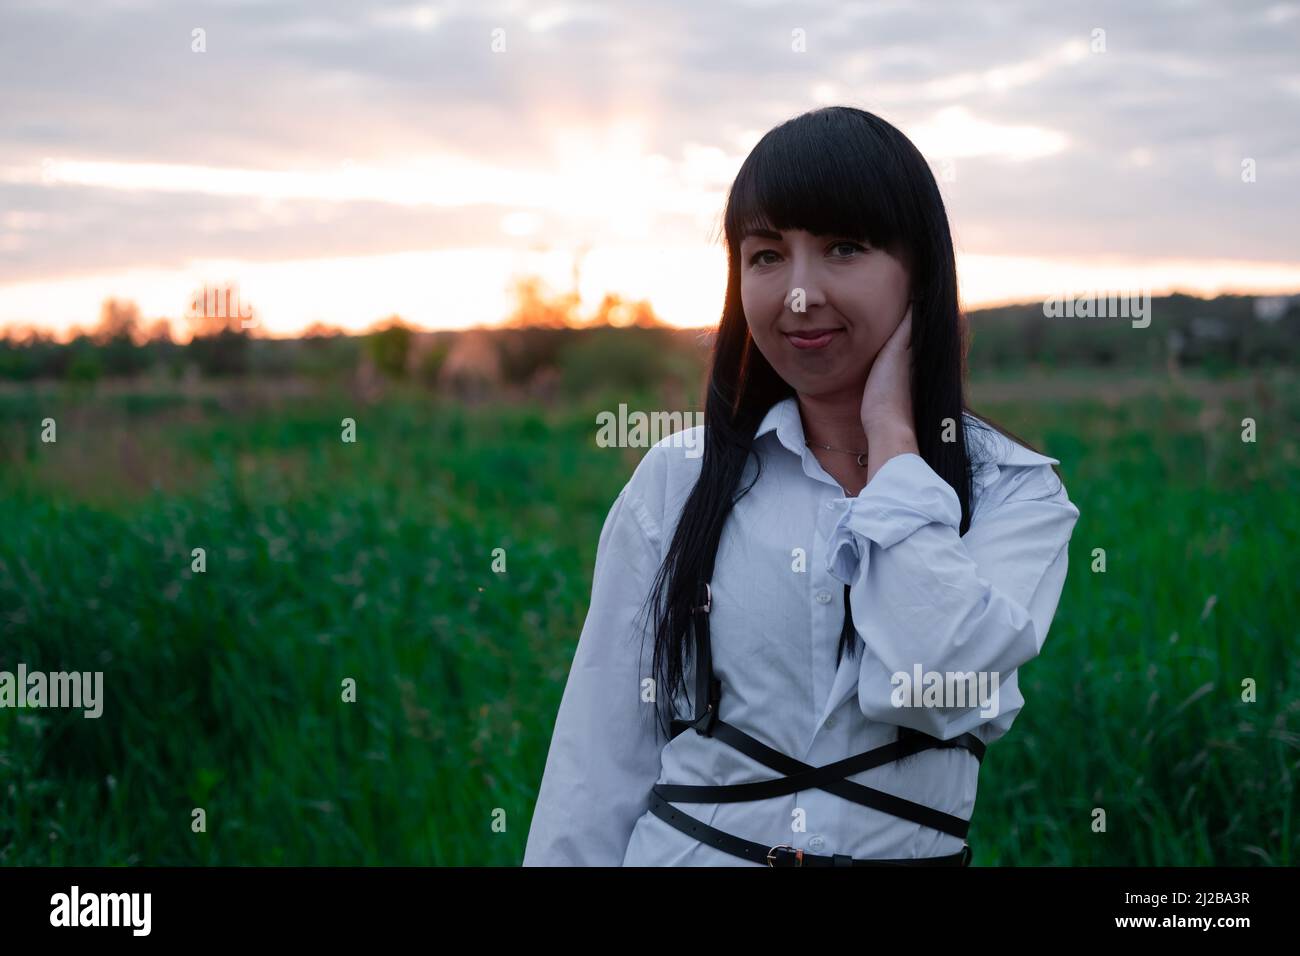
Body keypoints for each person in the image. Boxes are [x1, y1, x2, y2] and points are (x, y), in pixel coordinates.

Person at [523, 105, 1081, 866]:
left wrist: (892, 440)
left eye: (843, 248)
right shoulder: (678, 482)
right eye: (766, 256)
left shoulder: (1014, 493)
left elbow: (927, 684)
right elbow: (597, 760)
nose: (797, 294)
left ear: (920, 270)